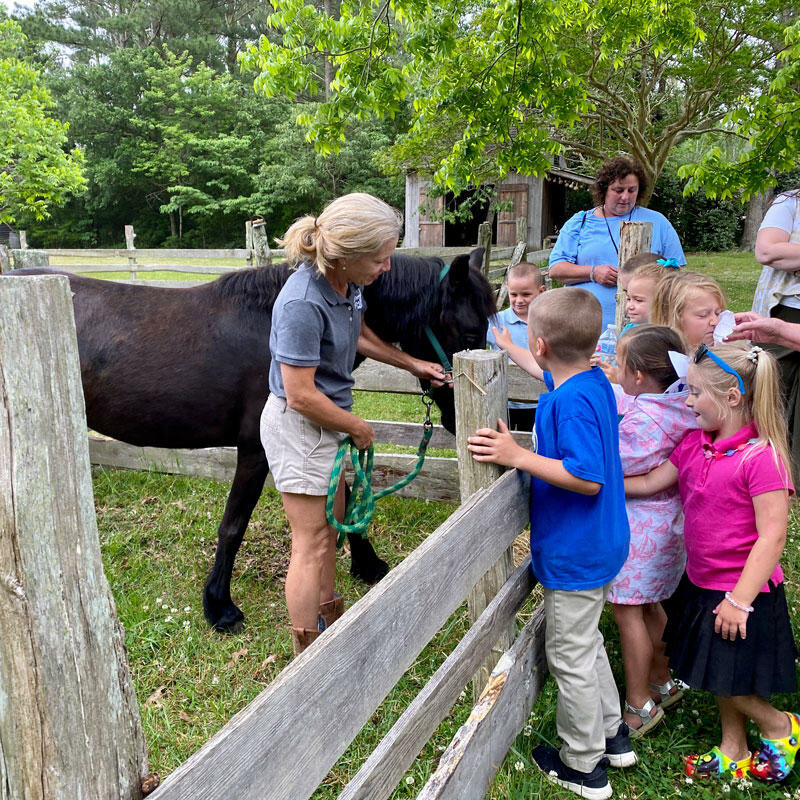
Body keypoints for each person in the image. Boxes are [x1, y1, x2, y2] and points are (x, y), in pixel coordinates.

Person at [260, 193, 449, 656]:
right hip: (301, 425)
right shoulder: (302, 303)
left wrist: (412, 364)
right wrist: (358, 427)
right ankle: (307, 656)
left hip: (328, 421)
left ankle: (328, 627)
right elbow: (300, 393)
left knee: (333, 530)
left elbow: (360, 335)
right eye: (380, 257)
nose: (387, 267)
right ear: (344, 255)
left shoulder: (346, 285)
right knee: (311, 542)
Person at [467, 287, 633, 800]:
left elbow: (587, 477)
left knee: (568, 655)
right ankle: (613, 735)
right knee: (587, 643)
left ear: (540, 344)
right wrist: (503, 345)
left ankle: (583, 764)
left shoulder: (571, 403)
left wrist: (516, 455)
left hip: (576, 552)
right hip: (603, 543)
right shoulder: (592, 380)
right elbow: (546, 369)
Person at [625, 342, 798, 781]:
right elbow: (649, 481)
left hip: (745, 592)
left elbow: (773, 534)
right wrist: (588, 479)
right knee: (725, 673)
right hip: (702, 584)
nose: (686, 401)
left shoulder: (762, 459)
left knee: (723, 674)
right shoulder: (695, 446)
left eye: (696, 392)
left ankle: (780, 725)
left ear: (733, 398)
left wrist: (740, 600)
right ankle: (733, 748)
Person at [606, 325, 697, 739]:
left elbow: (613, 461)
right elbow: (632, 397)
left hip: (641, 530)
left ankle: (638, 704)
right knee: (652, 605)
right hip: (669, 528)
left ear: (639, 376)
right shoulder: (681, 402)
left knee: (628, 613)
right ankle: (663, 681)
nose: (617, 372)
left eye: (621, 366)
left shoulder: (644, 421)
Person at [548, 156, 686, 329]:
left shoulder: (658, 222)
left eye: (631, 190)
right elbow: (555, 269)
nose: (625, 197)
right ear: (604, 189)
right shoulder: (580, 222)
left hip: (646, 331)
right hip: (584, 329)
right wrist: (593, 272)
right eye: (618, 190)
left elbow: (678, 274)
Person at [750, 188, 800, 483]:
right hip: (784, 310)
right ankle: (763, 469)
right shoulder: (790, 202)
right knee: (771, 391)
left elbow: (782, 253)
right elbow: (767, 251)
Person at [486, 262, 546, 430]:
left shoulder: (549, 322)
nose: (519, 300)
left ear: (541, 291)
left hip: (539, 401)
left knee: (534, 445)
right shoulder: (495, 321)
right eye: (513, 295)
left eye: (526, 294)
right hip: (504, 401)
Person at [650, 270, 726, 349]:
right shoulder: (657, 359)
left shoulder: (725, 351)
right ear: (671, 318)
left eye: (718, 313)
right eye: (703, 315)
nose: (716, 321)